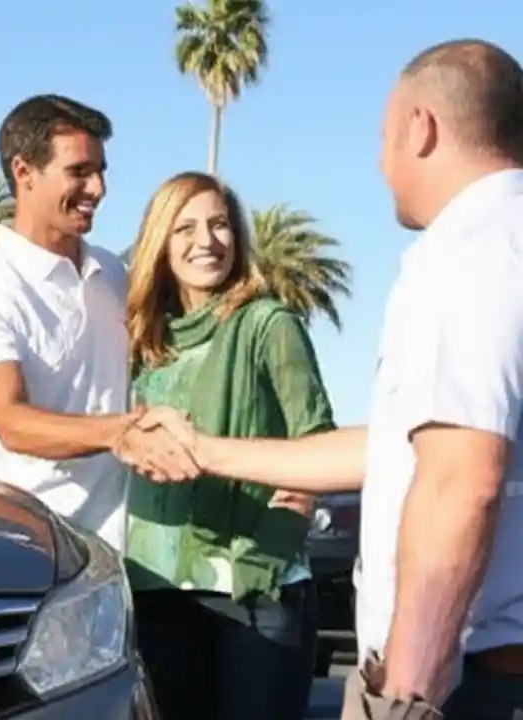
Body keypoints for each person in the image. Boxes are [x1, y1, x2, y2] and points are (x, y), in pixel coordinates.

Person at [141, 39, 523, 718]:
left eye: (383, 139)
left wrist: (404, 694)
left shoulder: (465, 254)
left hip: (460, 681)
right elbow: (398, 448)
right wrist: (200, 449)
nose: (381, 165)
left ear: (420, 127)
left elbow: (462, 479)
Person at [0, 94, 198, 552]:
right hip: (40, 553)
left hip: (136, 558)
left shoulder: (115, 273)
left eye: (101, 171)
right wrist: (119, 434)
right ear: (24, 173)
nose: (98, 188)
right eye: (79, 171)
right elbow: (11, 422)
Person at [120, 170, 333, 720]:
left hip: (255, 590)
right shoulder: (142, 341)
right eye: (185, 228)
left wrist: (271, 551)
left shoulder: (268, 323)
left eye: (219, 224)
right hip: (155, 590)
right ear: (159, 244)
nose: (206, 240)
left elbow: (317, 444)